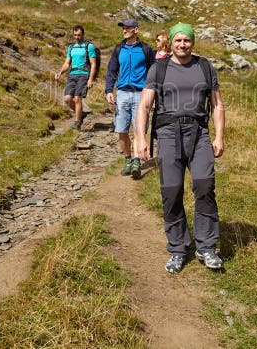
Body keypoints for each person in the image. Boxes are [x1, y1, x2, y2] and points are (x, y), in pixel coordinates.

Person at [135, 22, 225, 273]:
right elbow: (144, 106)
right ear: (171, 42)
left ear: (192, 42)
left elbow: (217, 105)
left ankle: (206, 247)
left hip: (199, 134)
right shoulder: (159, 69)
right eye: (178, 40)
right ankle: (177, 248)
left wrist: (219, 136)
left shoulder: (205, 67)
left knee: (205, 185)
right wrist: (140, 139)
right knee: (172, 191)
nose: (183, 45)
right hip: (168, 134)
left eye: (187, 40)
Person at [105, 18, 155, 178]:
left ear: (136, 30)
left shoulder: (146, 49)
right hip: (122, 94)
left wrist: (153, 94)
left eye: (127, 28)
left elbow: (154, 72)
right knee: (121, 130)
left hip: (141, 94)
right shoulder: (119, 49)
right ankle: (127, 159)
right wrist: (108, 90)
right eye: (123, 28)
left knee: (139, 130)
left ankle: (135, 161)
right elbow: (112, 70)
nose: (124, 30)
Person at [55, 25, 98, 130]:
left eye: (79, 35)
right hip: (72, 75)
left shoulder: (89, 46)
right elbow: (67, 63)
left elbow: (93, 64)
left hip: (84, 75)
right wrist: (60, 72)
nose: (77, 37)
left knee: (77, 98)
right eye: (75, 35)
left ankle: (77, 122)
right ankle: (81, 113)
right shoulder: (71, 47)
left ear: (83, 34)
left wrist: (91, 79)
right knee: (67, 99)